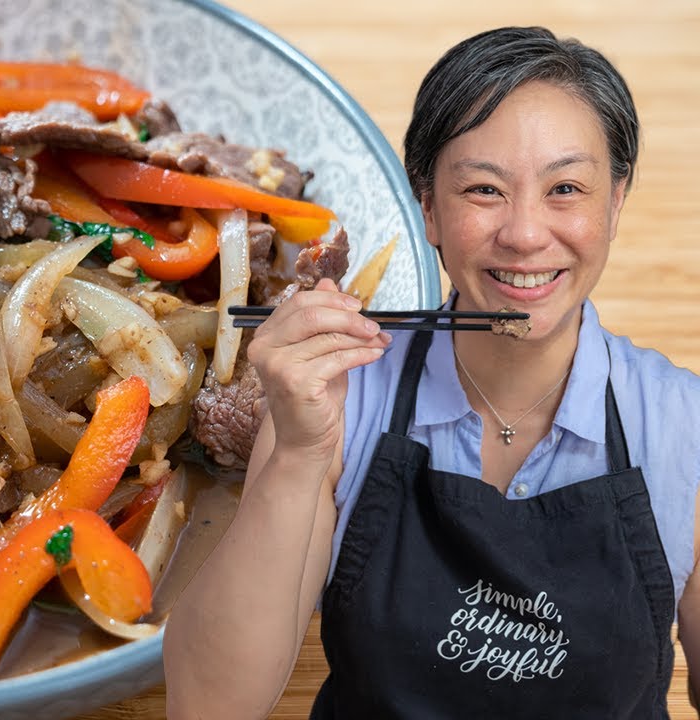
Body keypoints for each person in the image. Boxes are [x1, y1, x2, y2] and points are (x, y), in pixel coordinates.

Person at [163, 26, 700, 719]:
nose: (526, 234)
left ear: (615, 203)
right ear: (428, 210)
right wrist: (298, 452)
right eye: (483, 190)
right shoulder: (344, 399)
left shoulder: (683, 424)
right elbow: (209, 707)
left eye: (565, 188)